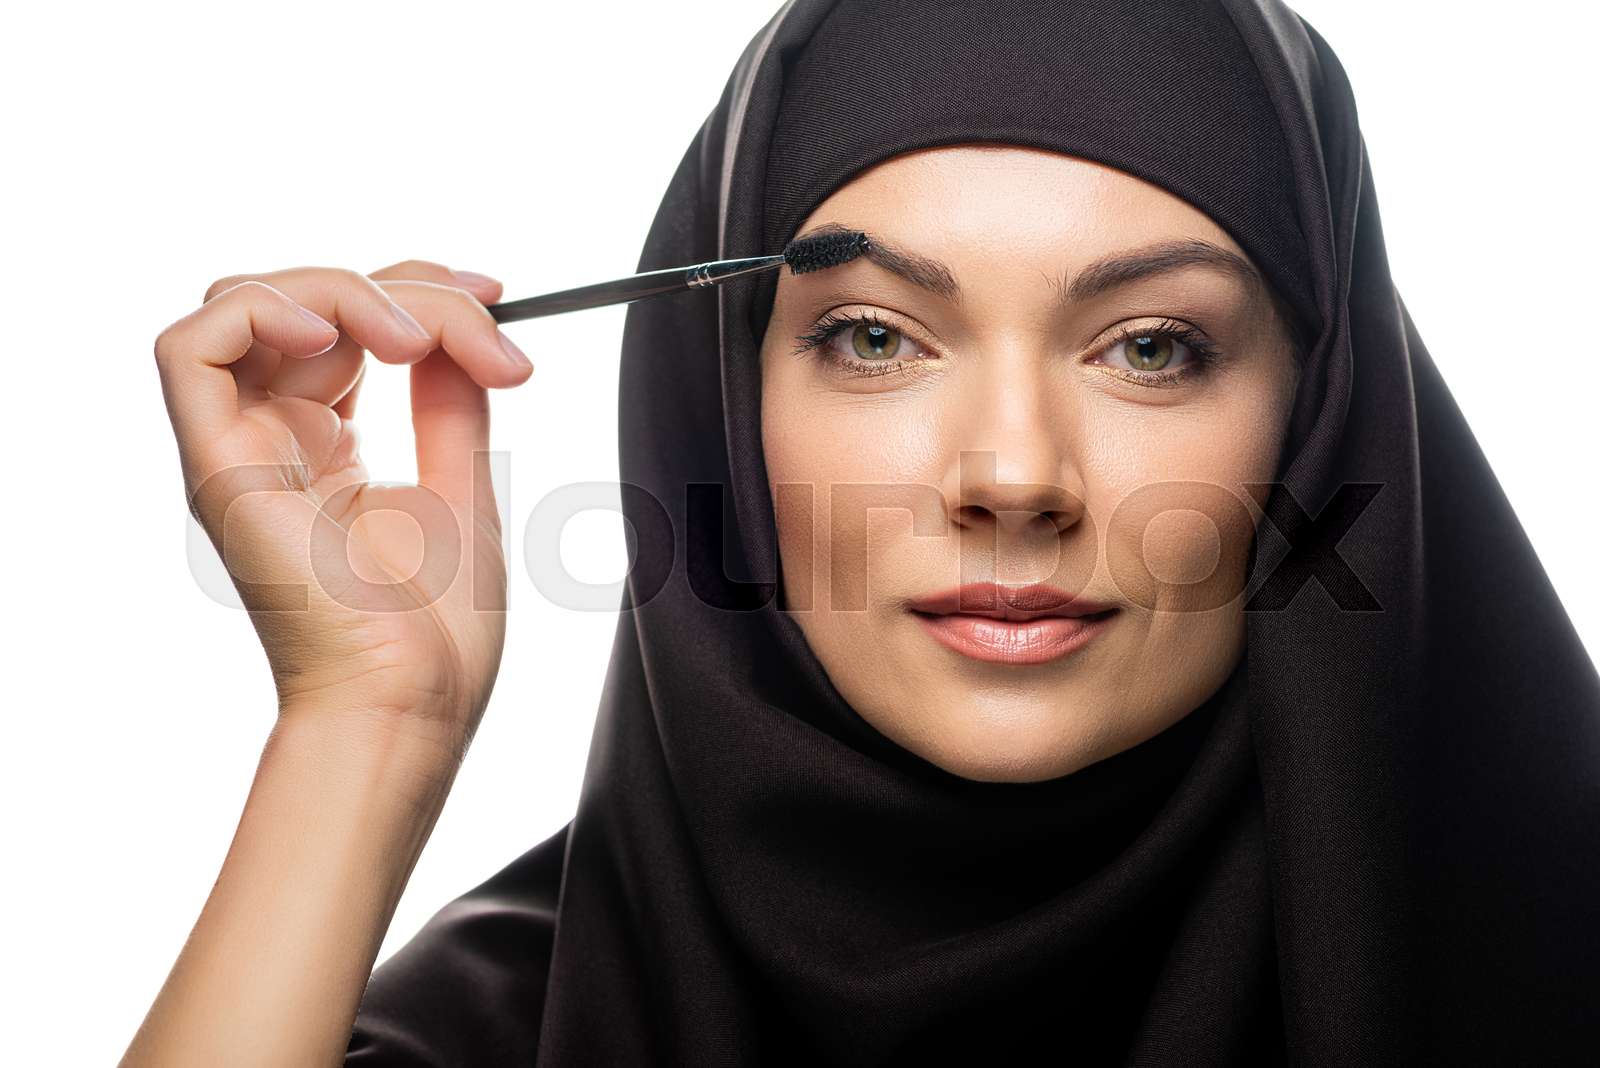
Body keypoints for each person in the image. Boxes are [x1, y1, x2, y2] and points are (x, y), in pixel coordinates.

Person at [125, 0, 1600, 1065]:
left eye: (1151, 347)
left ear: (1318, 412)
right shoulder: (505, 1030)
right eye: (881, 338)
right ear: (722, 407)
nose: (1014, 473)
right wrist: (360, 733)